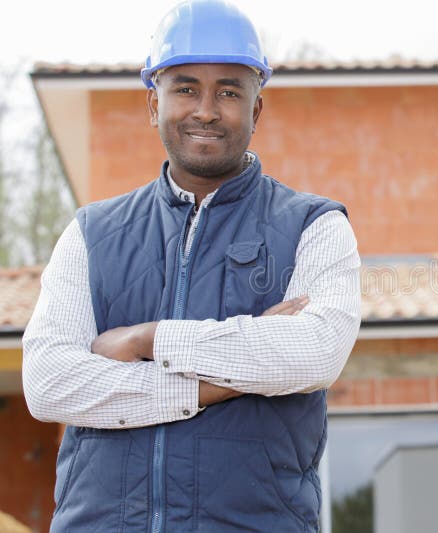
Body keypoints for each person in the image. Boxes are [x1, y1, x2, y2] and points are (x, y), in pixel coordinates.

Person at [21, 1, 361, 531]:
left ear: (256, 110)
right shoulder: (91, 234)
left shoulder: (314, 226)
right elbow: (49, 383)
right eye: (185, 89)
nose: (205, 110)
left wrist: (147, 340)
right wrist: (217, 383)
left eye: (229, 92)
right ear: (153, 103)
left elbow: (312, 353)